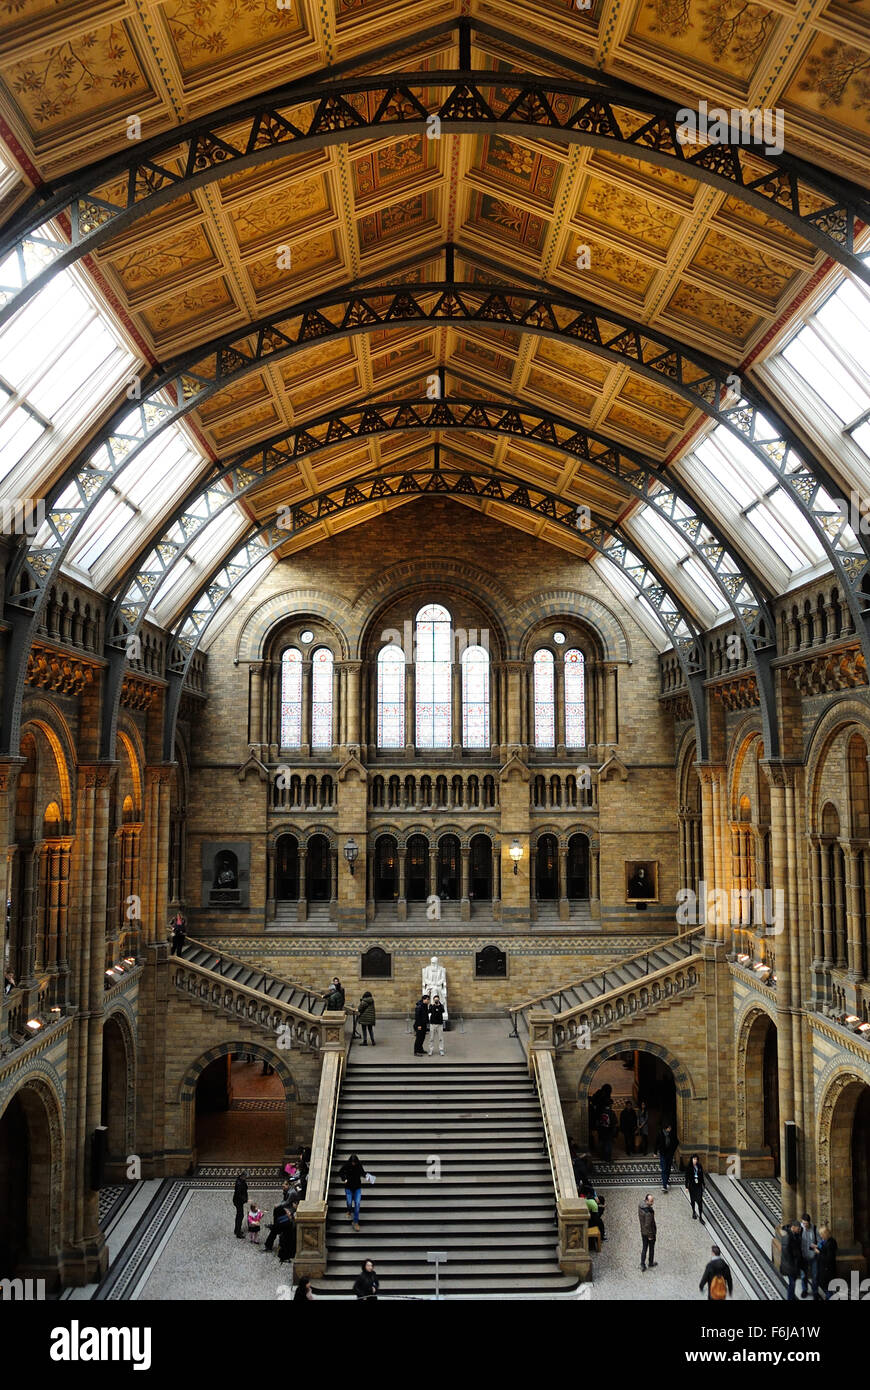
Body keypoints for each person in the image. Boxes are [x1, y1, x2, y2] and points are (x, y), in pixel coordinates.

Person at [338, 1152, 367, 1231]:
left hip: (357, 1187)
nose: (353, 1164)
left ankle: (355, 1222)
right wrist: (344, 1179)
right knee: (349, 1202)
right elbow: (340, 1172)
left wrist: (368, 1177)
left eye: (354, 1162)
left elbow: (363, 1173)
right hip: (349, 1187)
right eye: (352, 1162)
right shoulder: (347, 1165)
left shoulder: (359, 1165)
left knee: (357, 1204)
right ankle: (349, 1210)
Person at [779, 1220, 803, 1300]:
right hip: (790, 1265)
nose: (799, 1230)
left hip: (794, 1264)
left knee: (793, 1282)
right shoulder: (787, 1237)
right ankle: (790, 1298)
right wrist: (795, 1257)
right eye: (798, 1228)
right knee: (792, 1283)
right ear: (793, 1228)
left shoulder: (794, 1234)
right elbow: (786, 1253)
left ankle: (791, 1297)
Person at [813, 1225, 838, 1301]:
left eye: (821, 1234)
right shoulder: (827, 1241)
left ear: (825, 1234)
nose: (820, 1236)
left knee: (827, 1288)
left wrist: (818, 1253)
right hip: (825, 1269)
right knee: (827, 1288)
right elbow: (824, 1250)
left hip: (827, 1271)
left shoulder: (830, 1244)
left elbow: (828, 1259)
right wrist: (818, 1247)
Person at [799, 1212, 819, 1299]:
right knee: (803, 1275)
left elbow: (819, 1240)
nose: (804, 1225)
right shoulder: (799, 1228)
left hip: (813, 1256)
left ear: (809, 1222)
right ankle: (804, 1290)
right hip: (803, 1256)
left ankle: (815, 1292)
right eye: (803, 1223)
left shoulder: (814, 1229)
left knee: (815, 1275)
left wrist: (816, 1247)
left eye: (806, 1223)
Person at [656, 1121, 678, 1192]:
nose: (670, 1128)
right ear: (666, 1128)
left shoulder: (672, 1134)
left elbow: (676, 1142)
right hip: (663, 1154)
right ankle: (664, 1186)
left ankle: (666, 1180)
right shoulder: (660, 1133)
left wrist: (673, 1150)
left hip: (669, 1154)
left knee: (668, 1169)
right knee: (664, 1169)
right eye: (669, 1127)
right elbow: (656, 1142)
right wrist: (655, 1152)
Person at [638, 1193, 657, 1271]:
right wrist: (650, 1235)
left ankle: (642, 1263)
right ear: (647, 1201)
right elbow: (648, 1225)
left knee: (644, 1248)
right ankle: (650, 1262)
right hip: (649, 1233)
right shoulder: (648, 1212)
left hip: (643, 1231)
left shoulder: (640, 1205)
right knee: (651, 1248)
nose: (652, 1203)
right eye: (651, 1201)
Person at [685, 1153, 705, 1221]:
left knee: (700, 1201)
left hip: (698, 1185)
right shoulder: (689, 1167)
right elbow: (686, 1177)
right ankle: (694, 1212)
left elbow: (702, 1175)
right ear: (691, 1159)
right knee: (693, 1200)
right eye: (694, 1159)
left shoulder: (699, 1166)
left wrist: (703, 1184)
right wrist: (686, 1187)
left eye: (696, 1159)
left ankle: (700, 1216)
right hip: (692, 1186)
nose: (695, 1160)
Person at [597, 1099, 615, 1163]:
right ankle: (608, 1159)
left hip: (602, 1131)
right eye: (611, 1104)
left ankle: (602, 1157)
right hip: (609, 1132)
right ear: (610, 1105)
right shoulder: (611, 1112)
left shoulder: (601, 1111)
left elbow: (598, 1121)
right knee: (608, 1146)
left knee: (602, 1144)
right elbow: (614, 1122)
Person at [232, 1171, 248, 1238]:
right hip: (238, 1202)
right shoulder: (239, 1184)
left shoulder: (240, 1181)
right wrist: (245, 1199)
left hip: (238, 1201)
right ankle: (238, 1232)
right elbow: (239, 1195)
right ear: (243, 1176)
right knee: (240, 1216)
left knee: (239, 1215)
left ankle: (236, 1230)